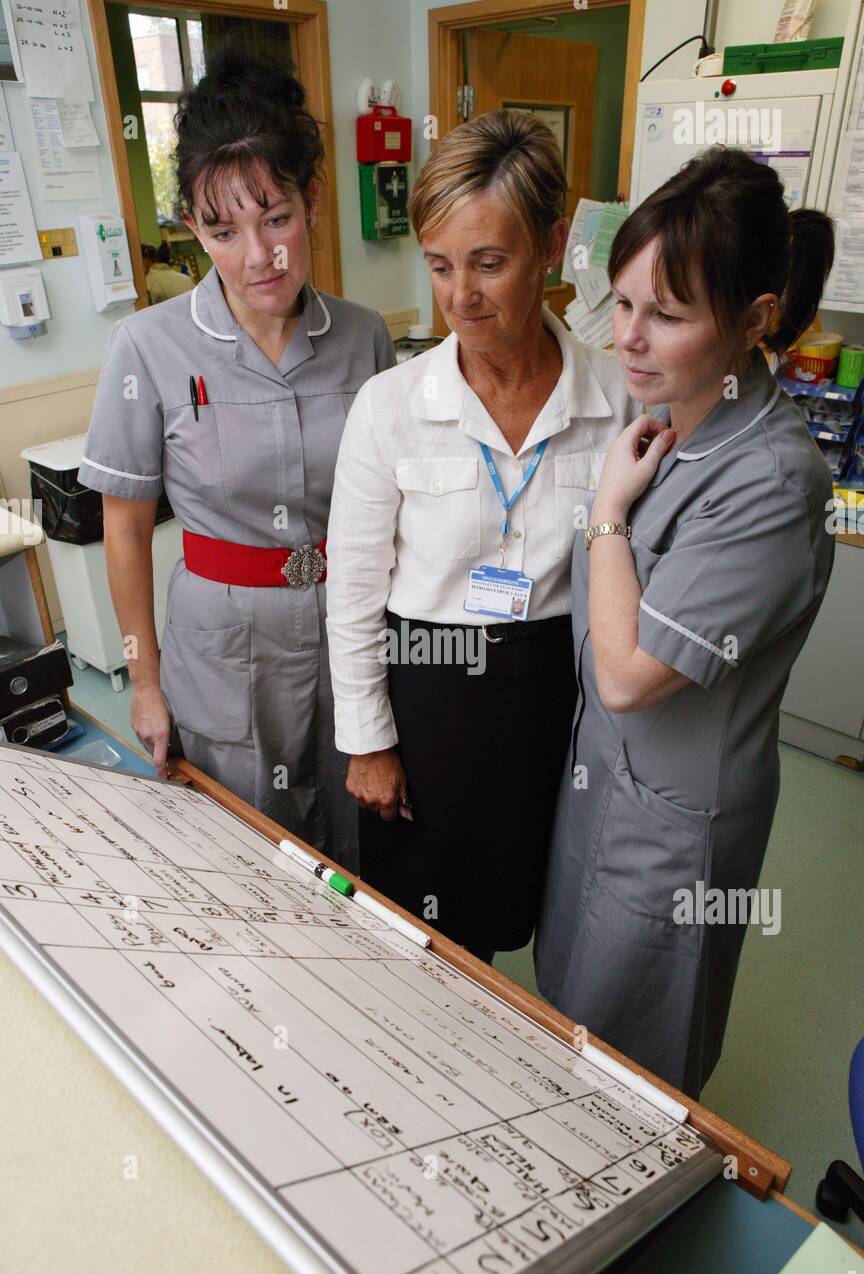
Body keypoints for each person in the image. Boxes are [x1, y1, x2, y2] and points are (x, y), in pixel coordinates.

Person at [535, 146, 836, 1098]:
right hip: (600, 789)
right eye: (621, 303)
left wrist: (609, 512)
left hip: (677, 830)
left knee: (637, 1061)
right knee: (570, 1007)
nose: (629, 339)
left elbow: (627, 673)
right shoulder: (661, 413)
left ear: (755, 323)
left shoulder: (773, 482)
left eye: (666, 316)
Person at [326, 110, 638, 961]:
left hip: (554, 698)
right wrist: (368, 740)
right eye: (439, 265)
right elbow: (352, 588)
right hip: (427, 699)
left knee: (526, 915)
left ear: (552, 244)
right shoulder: (390, 407)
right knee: (417, 937)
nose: (459, 295)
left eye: (489, 263)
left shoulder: (619, 400)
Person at [78, 47, 395, 869]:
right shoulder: (147, 348)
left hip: (348, 629)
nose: (259, 256)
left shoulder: (365, 338)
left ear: (312, 199)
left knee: (356, 839)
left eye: (277, 218)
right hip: (221, 648)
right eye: (223, 231)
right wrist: (143, 683)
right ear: (192, 228)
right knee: (244, 850)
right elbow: (125, 526)